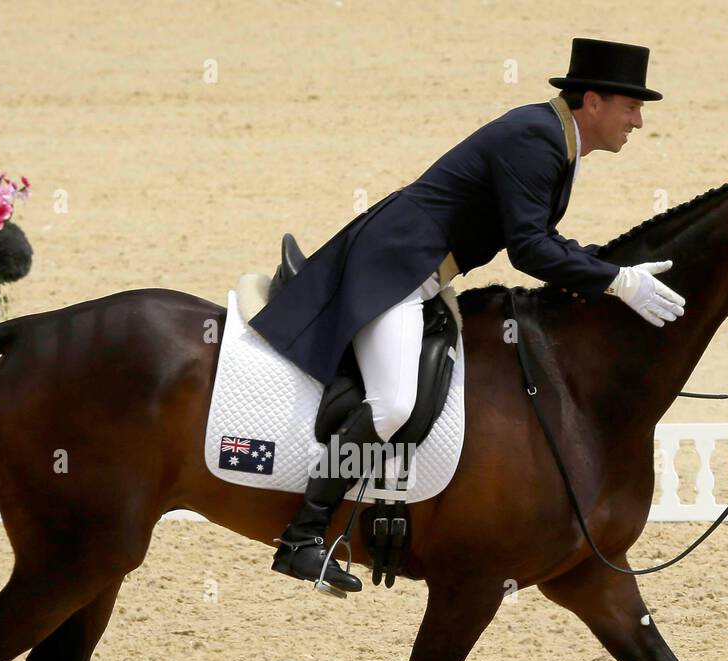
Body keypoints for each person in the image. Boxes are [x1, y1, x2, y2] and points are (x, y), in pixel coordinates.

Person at [253, 37, 687, 595]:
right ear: (596, 102)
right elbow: (528, 248)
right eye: (632, 108)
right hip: (397, 268)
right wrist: (615, 282)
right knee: (393, 403)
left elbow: (543, 238)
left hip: (420, 266)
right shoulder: (537, 139)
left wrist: (610, 269)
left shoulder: (556, 136)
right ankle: (303, 537)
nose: (640, 122)